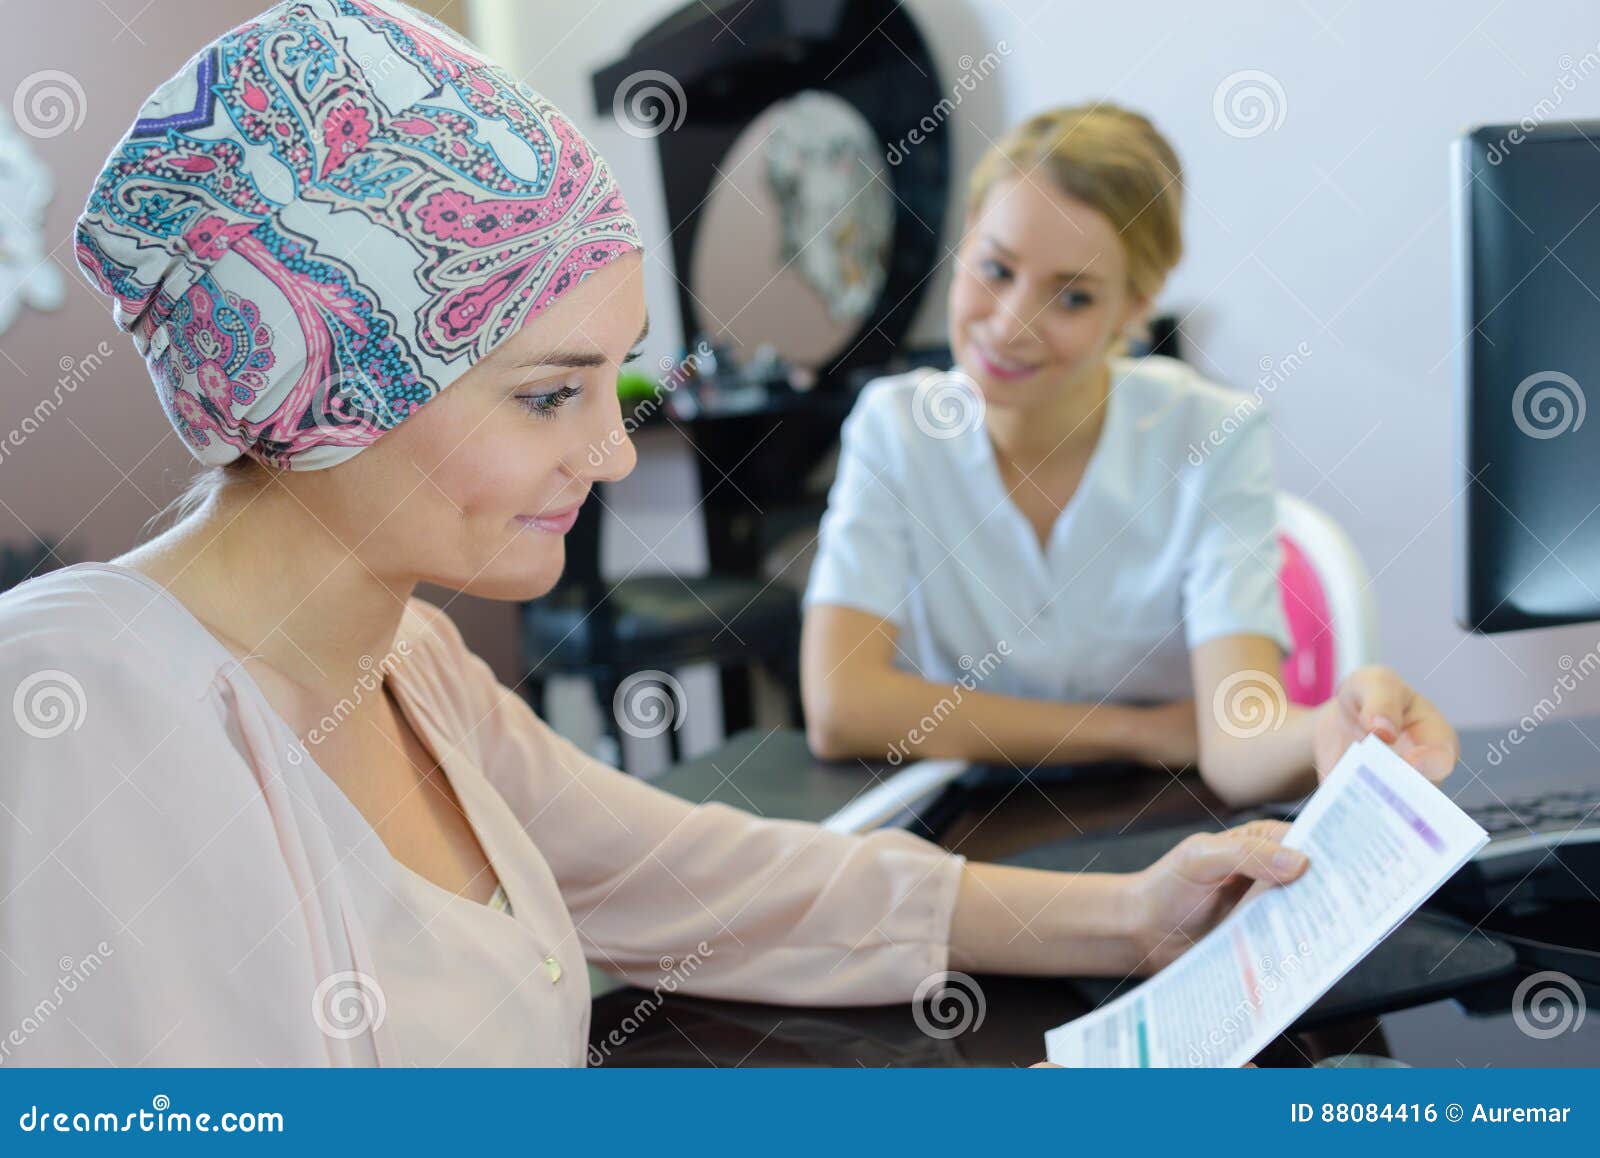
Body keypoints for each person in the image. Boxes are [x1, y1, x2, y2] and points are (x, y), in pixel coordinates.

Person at [0, 3, 1311, 1067]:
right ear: (334, 387)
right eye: (547, 394)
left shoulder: (410, 666)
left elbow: (699, 874)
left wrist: (1133, 915)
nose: (611, 451)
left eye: (612, 386)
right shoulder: (74, 711)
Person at [801, 103, 1458, 808]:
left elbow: (1236, 746)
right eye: (995, 268)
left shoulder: (1213, 434)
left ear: (1134, 306)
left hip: (1160, 822)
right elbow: (842, 707)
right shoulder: (895, 429)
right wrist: (1136, 732)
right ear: (964, 243)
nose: (1011, 323)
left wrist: (1332, 727)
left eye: (1074, 297)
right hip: (958, 820)